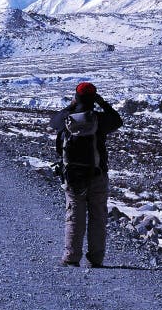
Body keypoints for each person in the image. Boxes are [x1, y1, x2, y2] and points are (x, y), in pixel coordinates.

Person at [50, 82, 122, 267]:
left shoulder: (67, 118)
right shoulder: (99, 119)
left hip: (73, 177)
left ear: (77, 96)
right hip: (97, 175)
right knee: (98, 217)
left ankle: (72, 257)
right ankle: (96, 259)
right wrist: (102, 103)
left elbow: (53, 122)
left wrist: (71, 105)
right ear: (94, 98)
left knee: (74, 217)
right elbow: (117, 120)